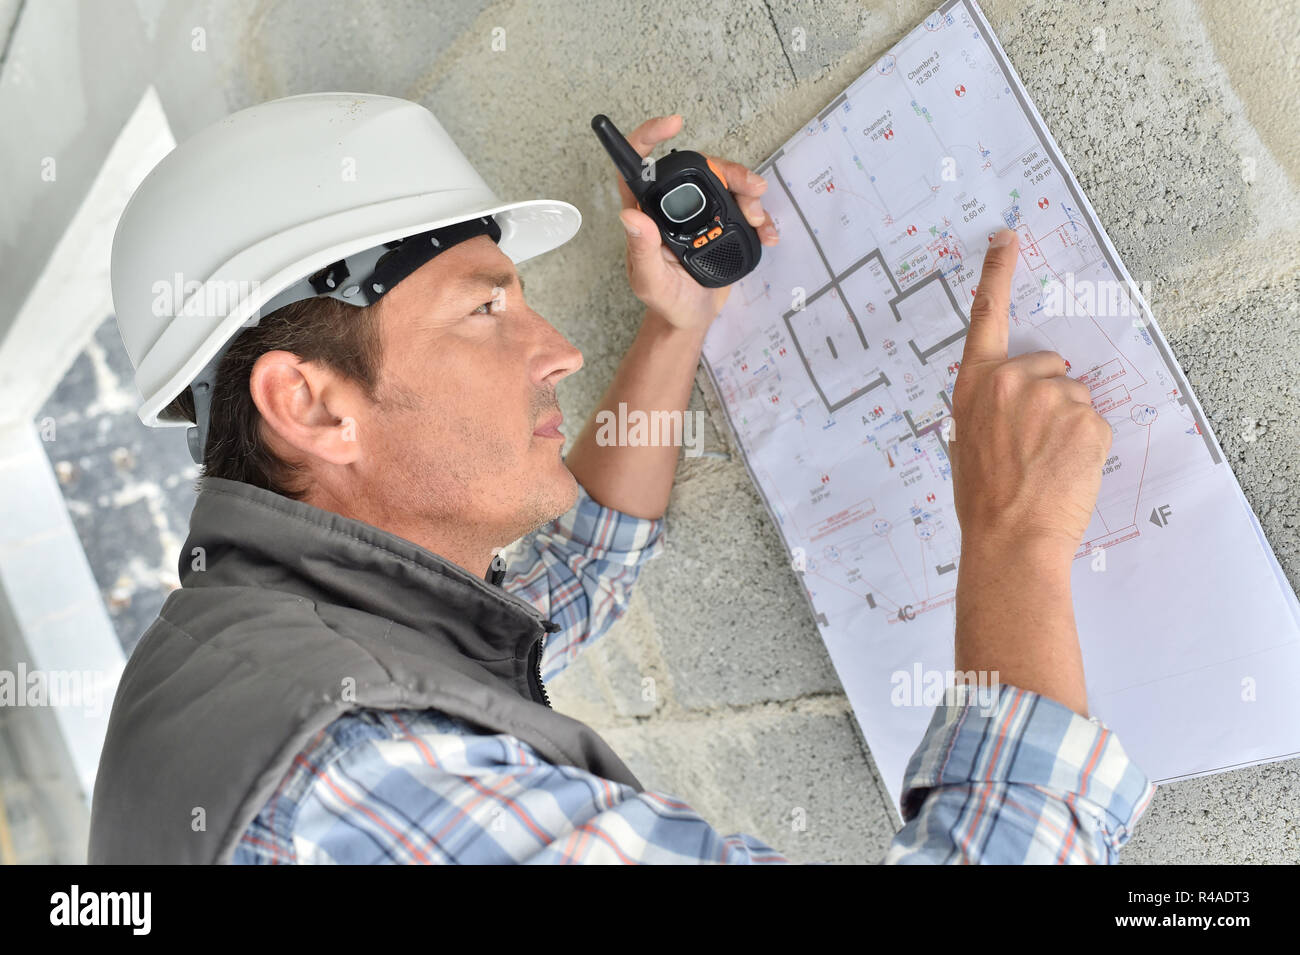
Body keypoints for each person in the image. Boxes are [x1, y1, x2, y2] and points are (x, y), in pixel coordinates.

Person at [90, 93, 1154, 865]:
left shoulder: (277, 629)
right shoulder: (355, 780)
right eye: (485, 309)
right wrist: (1014, 541)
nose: (555, 348)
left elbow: (566, 582)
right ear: (312, 404)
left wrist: (675, 323)